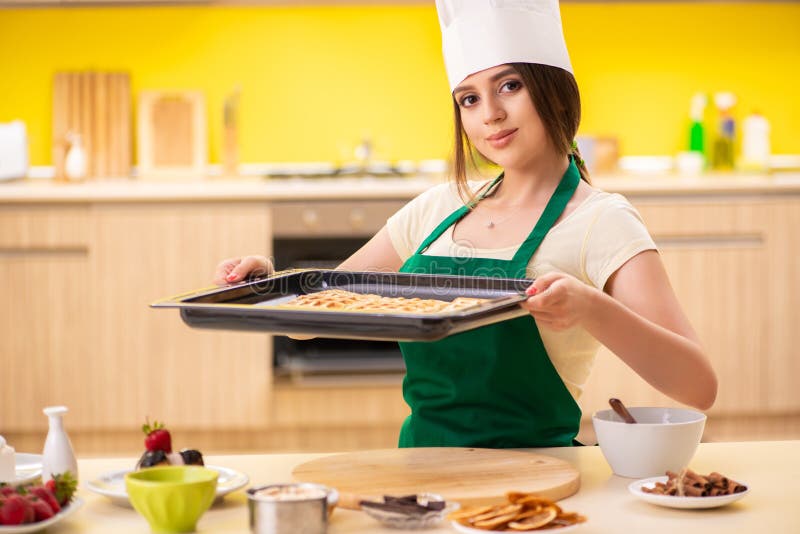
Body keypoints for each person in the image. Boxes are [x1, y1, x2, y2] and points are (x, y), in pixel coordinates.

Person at [213, 0, 717, 448]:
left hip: (538, 482)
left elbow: (698, 387)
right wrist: (269, 284)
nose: (490, 114)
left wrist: (591, 307)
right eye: (469, 99)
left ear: (557, 91)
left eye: (510, 86)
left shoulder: (601, 222)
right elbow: (312, 319)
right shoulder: (436, 208)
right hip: (421, 478)